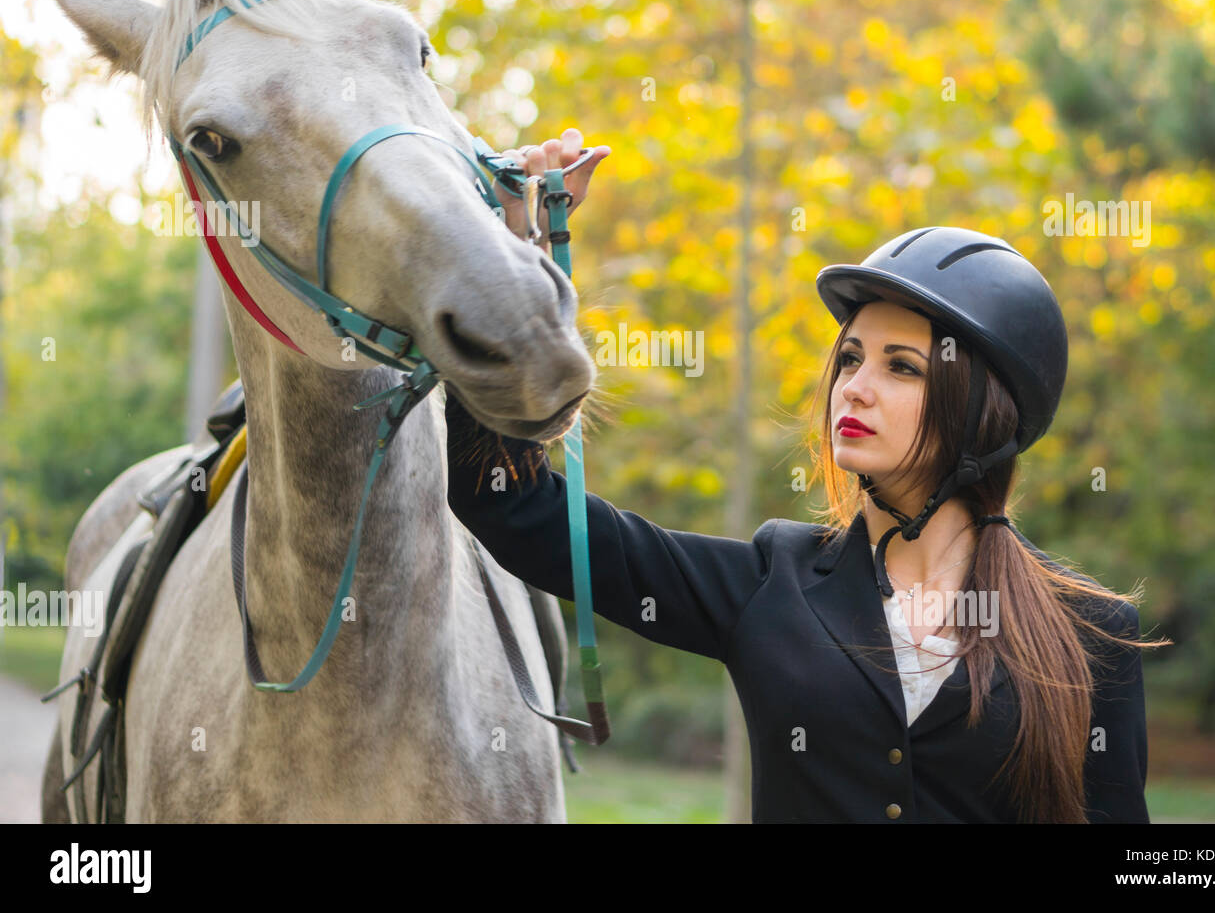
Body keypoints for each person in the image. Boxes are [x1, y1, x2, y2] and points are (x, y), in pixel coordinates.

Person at [444, 129, 1165, 824]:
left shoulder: (1090, 633)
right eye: (850, 359)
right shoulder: (769, 580)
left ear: (985, 414)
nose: (852, 387)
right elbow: (519, 512)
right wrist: (514, 262)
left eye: (901, 367)